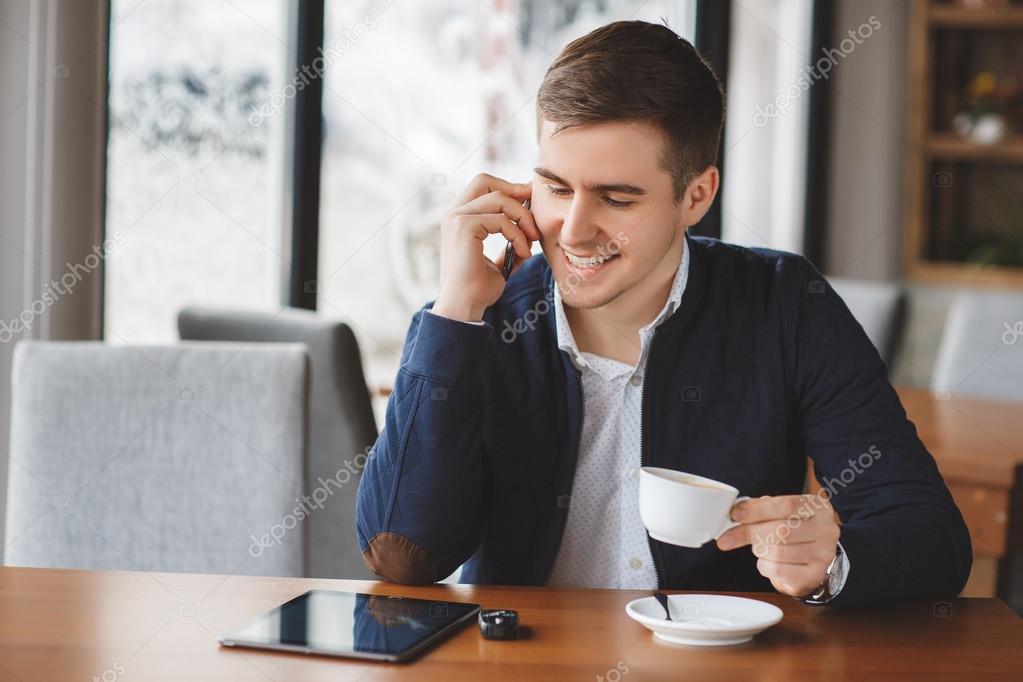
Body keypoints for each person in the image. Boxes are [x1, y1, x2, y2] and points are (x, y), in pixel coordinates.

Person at [356, 20, 972, 607]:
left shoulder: (784, 304)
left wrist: (832, 563)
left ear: (696, 196)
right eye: (557, 188)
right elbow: (404, 556)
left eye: (617, 199)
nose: (572, 231)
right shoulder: (476, 317)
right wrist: (455, 313)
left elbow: (932, 537)